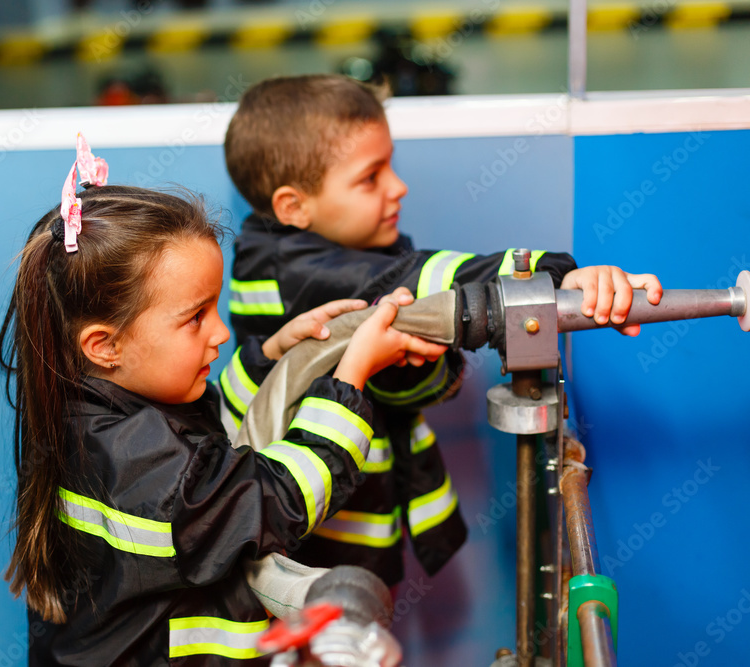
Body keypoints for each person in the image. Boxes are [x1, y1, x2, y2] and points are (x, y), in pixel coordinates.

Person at [0, 135, 433, 666]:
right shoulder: (139, 470)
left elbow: (207, 449)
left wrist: (275, 357)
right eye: (195, 317)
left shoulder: (99, 415)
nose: (221, 332)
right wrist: (352, 377)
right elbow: (274, 501)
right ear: (104, 345)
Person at [222, 74, 663, 586]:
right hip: (314, 531)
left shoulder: (332, 251)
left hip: (346, 507)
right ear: (293, 207)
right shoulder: (289, 268)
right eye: (371, 178)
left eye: (391, 166)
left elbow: (399, 385)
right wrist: (553, 275)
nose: (398, 187)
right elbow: (414, 280)